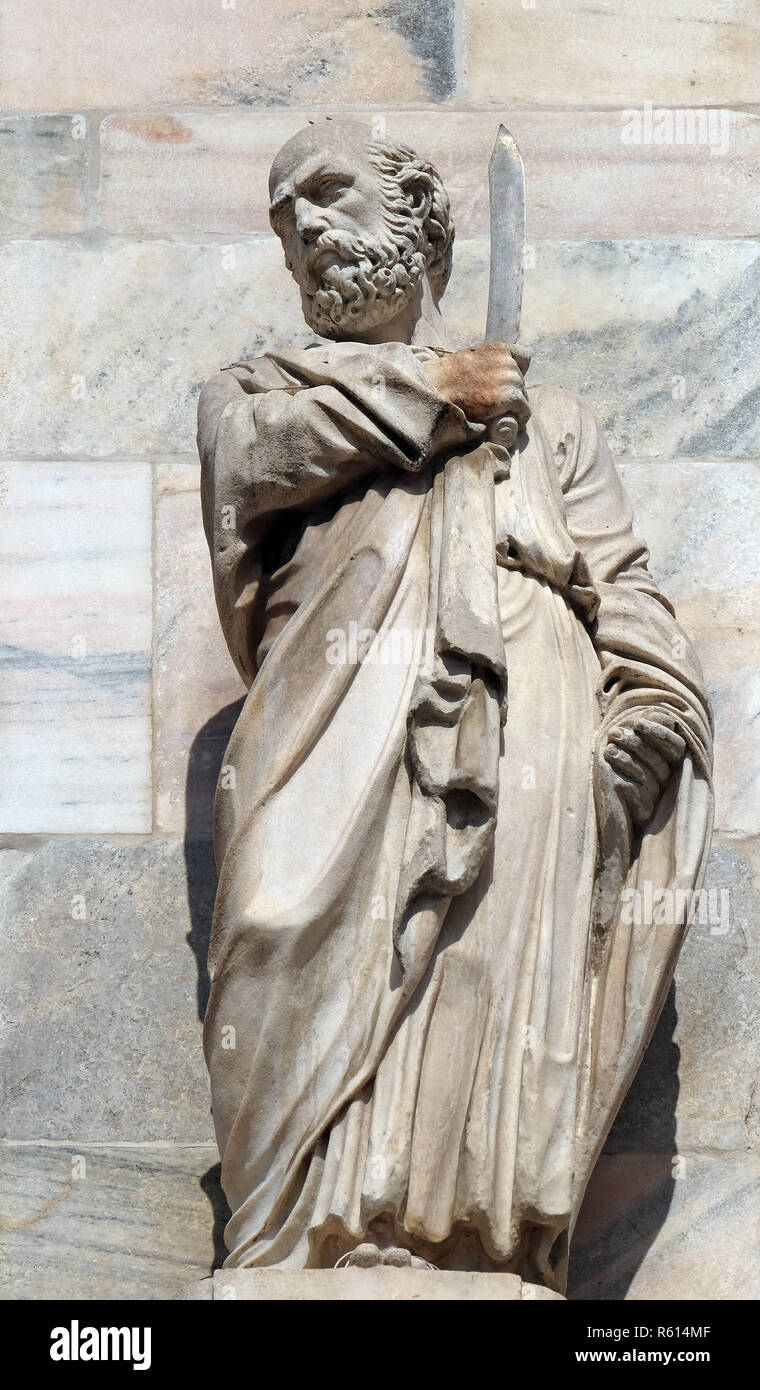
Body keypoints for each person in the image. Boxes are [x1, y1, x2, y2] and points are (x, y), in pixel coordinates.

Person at [197, 119, 712, 1290]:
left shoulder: (554, 422)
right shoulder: (259, 391)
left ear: (418, 216)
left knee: (481, 963)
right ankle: (288, 1238)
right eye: (285, 222)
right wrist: (437, 389)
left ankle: (463, 1242)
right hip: (330, 713)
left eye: (327, 196)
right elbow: (259, 459)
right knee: (280, 924)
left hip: (528, 702)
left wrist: (645, 710)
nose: (305, 232)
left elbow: (624, 588)